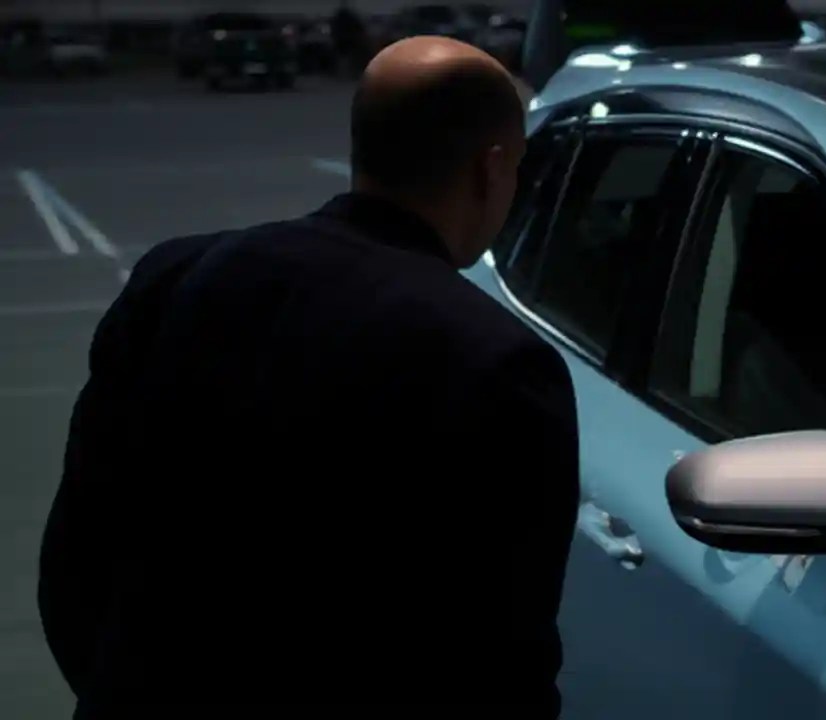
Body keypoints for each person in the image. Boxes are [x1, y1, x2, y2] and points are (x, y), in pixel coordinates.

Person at [38, 36, 579, 718]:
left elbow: (75, 561)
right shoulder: (496, 360)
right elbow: (502, 663)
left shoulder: (173, 279)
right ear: (491, 167)